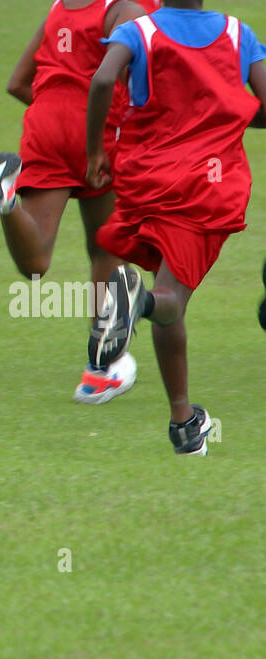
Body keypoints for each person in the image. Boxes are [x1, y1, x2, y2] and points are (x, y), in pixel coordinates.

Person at [86, 0, 266, 454]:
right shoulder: (235, 34)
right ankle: (138, 300)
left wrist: (94, 152)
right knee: (167, 301)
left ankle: (183, 422)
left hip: (147, 181)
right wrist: (231, 115)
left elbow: (103, 78)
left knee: (170, 295)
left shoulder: (139, 31)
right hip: (207, 188)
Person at [0, 0, 153, 404]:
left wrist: (57, 112)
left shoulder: (59, 7)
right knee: (107, 245)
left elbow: (17, 83)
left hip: (45, 124)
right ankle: (101, 369)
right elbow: (142, 81)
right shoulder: (129, 9)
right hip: (98, 129)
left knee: (34, 264)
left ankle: (7, 199)